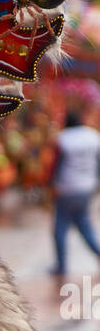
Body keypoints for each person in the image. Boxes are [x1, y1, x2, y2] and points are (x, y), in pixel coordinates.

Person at [51, 109, 100, 274]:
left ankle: (61, 266)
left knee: (60, 227)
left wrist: (52, 185)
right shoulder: (93, 136)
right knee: (84, 224)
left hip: (67, 188)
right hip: (87, 187)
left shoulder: (63, 138)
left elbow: (55, 166)